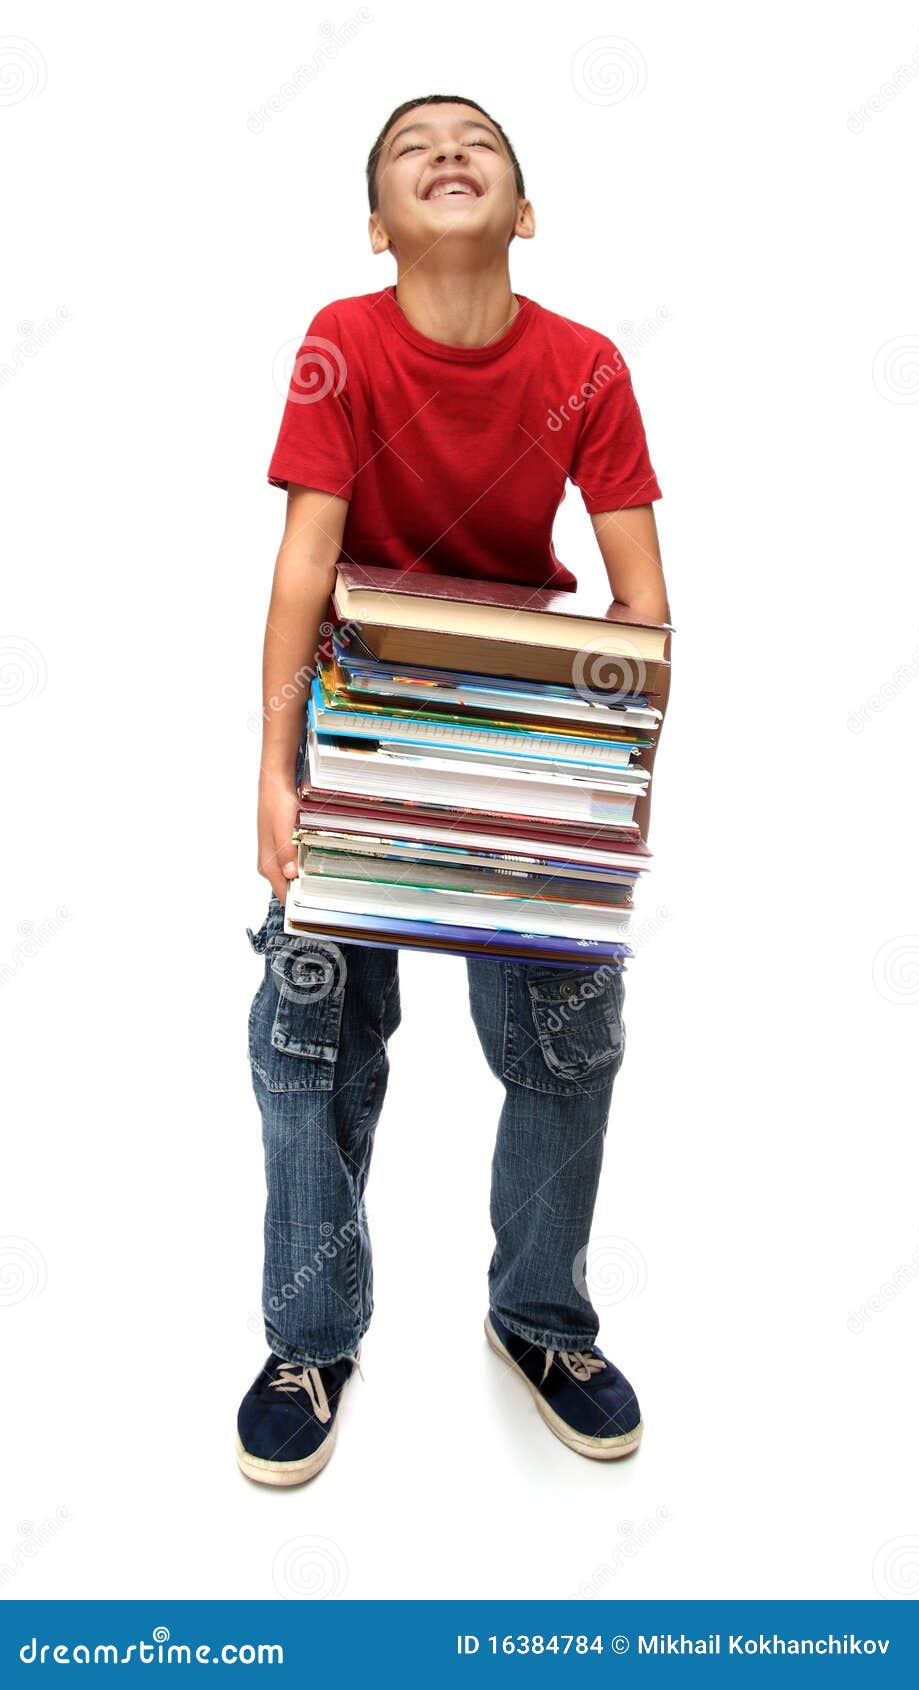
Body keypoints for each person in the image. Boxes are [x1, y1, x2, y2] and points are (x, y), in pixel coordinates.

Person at [236, 94, 672, 1486]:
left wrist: (613, 781)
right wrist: (273, 766)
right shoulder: (343, 342)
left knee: (568, 1040)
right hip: (360, 719)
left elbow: (643, 602)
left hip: (528, 731)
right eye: (414, 144)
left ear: (524, 211)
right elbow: (307, 561)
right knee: (309, 1037)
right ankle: (311, 1336)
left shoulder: (590, 365)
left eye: (477, 140)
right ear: (379, 225)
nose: (447, 149)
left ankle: (540, 1316)